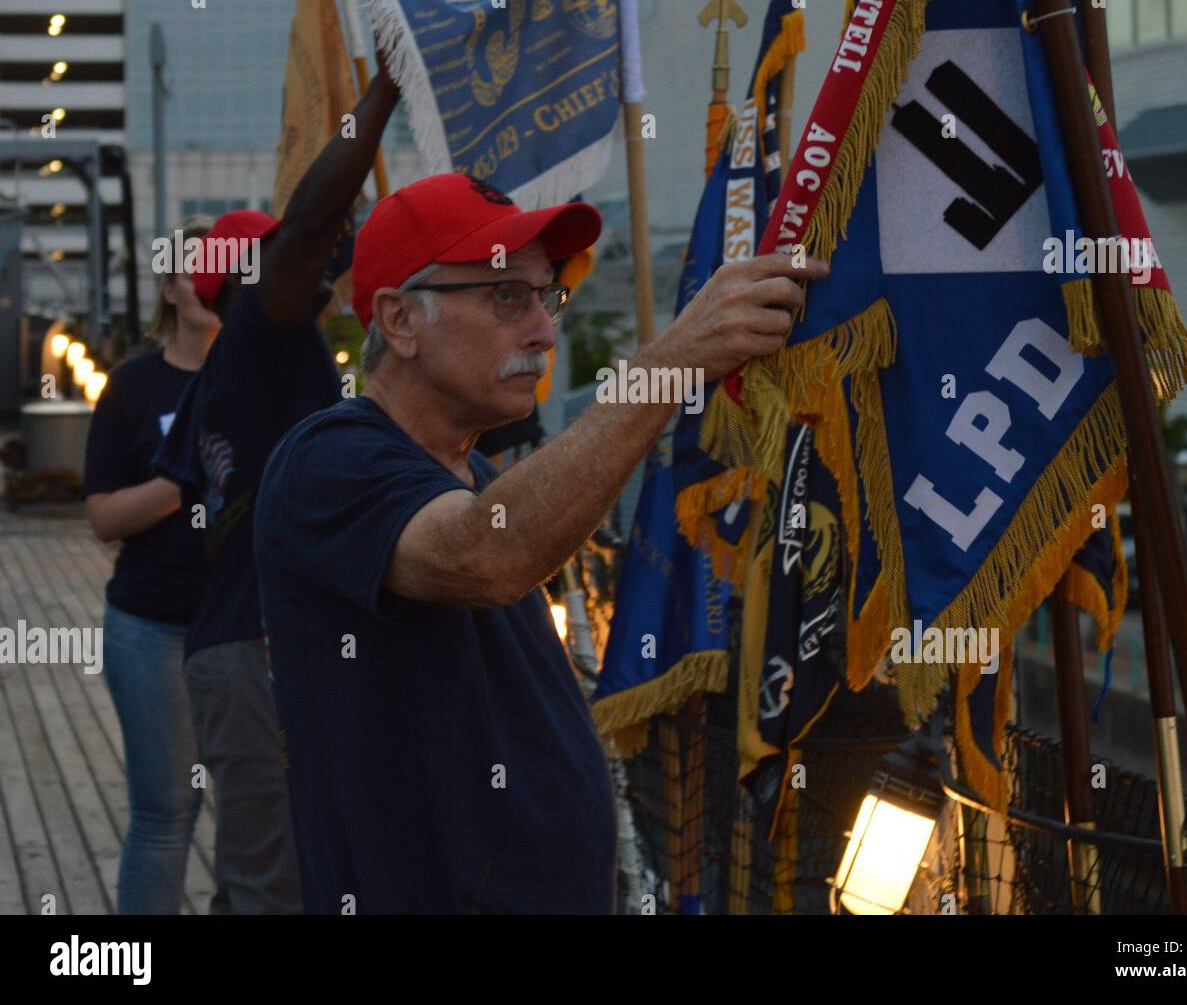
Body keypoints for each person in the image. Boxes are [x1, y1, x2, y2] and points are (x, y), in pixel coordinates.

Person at [254, 172, 827, 913]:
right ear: (399, 321)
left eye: (544, 296)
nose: (543, 329)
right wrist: (673, 360)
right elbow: (486, 556)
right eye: (504, 297)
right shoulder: (328, 459)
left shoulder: (476, 473)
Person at [152, 63, 399, 914]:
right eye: (295, 246)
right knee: (272, 890)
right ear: (256, 271)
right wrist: (380, 99)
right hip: (254, 653)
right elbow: (313, 220)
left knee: (290, 875)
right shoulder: (260, 333)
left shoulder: (240, 370)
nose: (325, 247)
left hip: (253, 647)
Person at [82, 219, 220, 914]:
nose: (215, 279)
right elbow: (104, 517)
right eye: (198, 267)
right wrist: (180, 481)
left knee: (270, 813)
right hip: (151, 627)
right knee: (167, 813)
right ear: (171, 287)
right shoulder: (133, 387)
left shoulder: (268, 382)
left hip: (250, 628)